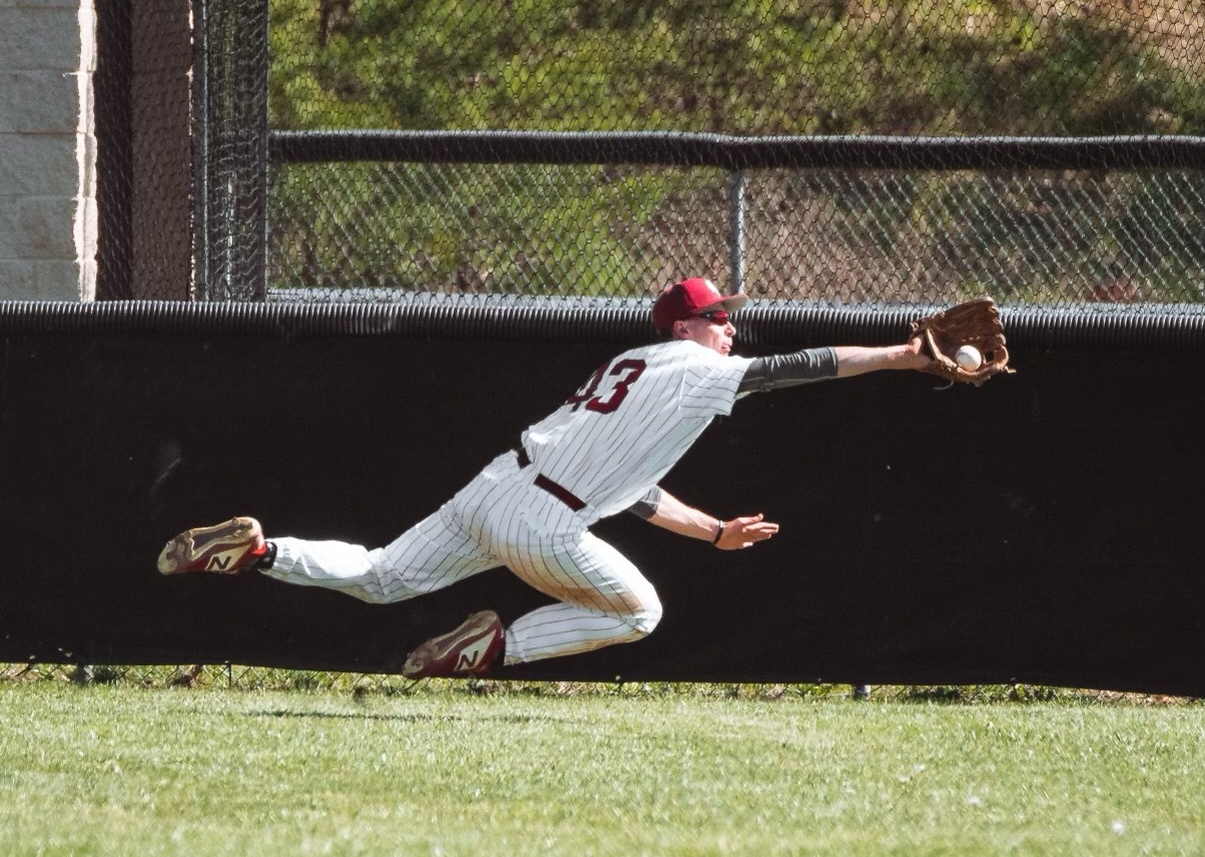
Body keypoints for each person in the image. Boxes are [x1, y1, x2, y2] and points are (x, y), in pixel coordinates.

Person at [158, 277, 934, 678]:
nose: (730, 326)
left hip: (494, 487)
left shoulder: (635, 366)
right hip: (542, 521)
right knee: (641, 614)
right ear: (686, 326)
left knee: (380, 576)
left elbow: (636, 489)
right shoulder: (695, 365)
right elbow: (795, 368)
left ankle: (260, 549)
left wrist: (712, 532)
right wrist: (902, 357)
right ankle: (495, 648)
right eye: (719, 315)